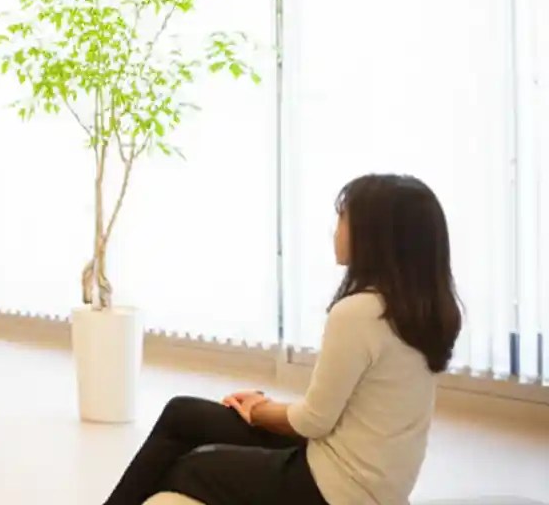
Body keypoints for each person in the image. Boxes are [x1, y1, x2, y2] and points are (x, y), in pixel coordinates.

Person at [104, 174, 463, 505]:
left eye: (342, 218)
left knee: (184, 469)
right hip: (377, 482)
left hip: (333, 489)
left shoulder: (359, 314)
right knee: (183, 414)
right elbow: (338, 412)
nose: (335, 230)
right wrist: (265, 409)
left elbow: (312, 423)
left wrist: (259, 412)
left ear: (375, 236)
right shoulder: (425, 311)